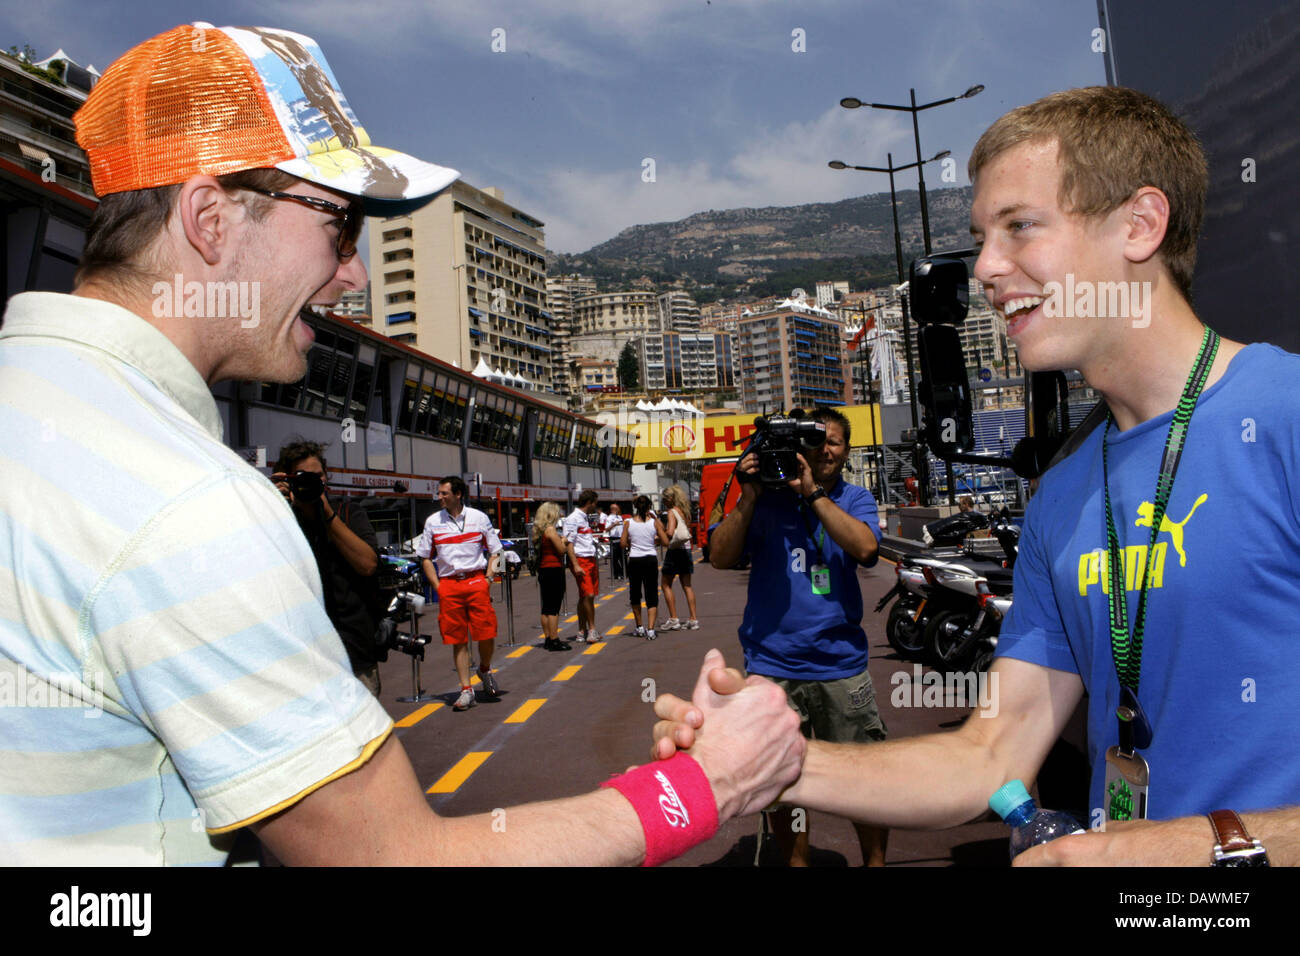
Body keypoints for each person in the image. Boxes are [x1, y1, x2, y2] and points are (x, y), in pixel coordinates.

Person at [0, 22, 807, 866]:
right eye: (339, 226)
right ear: (209, 217)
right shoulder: (185, 502)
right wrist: (705, 786)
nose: (354, 272)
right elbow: (389, 856)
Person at [656, 86, 1300, 867]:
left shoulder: (1283, 417)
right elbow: (989, 758)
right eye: (981, 238)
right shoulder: (1064, 494)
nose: (988, 270)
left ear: (1140, 225)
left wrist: (1199, 850)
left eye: (1020, 227)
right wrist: (760, 765)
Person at [707, 406, 889, 866]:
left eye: (835, 442)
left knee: (864, 781)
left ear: (846, 451)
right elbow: (720, 557)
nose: (826, 450)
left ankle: (876, 863)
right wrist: (747, 497)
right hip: (772, 666)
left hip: (840, 665)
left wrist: (812, 496)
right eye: (817, 440)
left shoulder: (855, 499)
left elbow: (867, 548)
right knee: (783, 787)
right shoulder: (765, 501)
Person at [272, 439, 383, 695]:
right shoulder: (282, 518)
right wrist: (271, 502)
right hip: (302, 653)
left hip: (352, 648)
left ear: (326, 477)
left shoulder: (347, 512)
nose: (313, 482)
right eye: (303, 477)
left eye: (318, 476)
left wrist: (325, 512)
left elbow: (368, 564)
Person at [416, 477, 503, 710]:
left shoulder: (479, 518)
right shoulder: (433, 522)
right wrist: (438, 587)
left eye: (444, 493)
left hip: (476, 581)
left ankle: (484, 669)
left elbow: (497, 552)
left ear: (458, 494)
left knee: (486, 632)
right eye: (439, 493)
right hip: (449, 585)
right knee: (458, 639)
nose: (440, 497)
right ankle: (466, 689)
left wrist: (488, 580)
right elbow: (424, 557)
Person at [532, 501, 580, 651]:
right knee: (554, 607)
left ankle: (547, 638)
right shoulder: (551, 530)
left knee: (546, 607)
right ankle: (554, 639)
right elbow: (561, 550)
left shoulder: (539, 530)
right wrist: (564, 541)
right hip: (553, 569)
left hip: (544, 569)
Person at [623, 495, 669, 639]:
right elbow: (666, 541)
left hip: (635, 559)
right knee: (651, 593)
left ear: (635, 507)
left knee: (635, 594)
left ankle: (639, 626)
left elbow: (623, 543)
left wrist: (633, 544)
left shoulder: (628, 523)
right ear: (649, 507)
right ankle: (650, 629)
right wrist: (654, 542)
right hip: (650, 559)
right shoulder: (654, 523)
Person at [563, 490, 604, 643]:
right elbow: (569, 543)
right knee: (588, 595)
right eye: (595, 503)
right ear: (590, 502)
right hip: (581, 560)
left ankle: (582, 630)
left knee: (585, 596)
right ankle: (592, 629)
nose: (596, 506)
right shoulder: (573, 519)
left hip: (590, 558)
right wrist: (575, 564)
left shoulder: (584, 518)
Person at [658, 485, 699, 630]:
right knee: (687, 586)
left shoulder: (671, 512)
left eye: (665, 499)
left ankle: (674, 618)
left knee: (665, 584)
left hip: (675, 551)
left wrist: (660, 533)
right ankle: (693, 619)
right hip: (686, 549)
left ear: (671, 498)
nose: (664, 501)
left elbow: (670, 533)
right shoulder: (685, 512)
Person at [606, 503, 627, 581]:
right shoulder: (609, 518)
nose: (618, 509)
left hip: (621, 538)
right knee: (614, 558)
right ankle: (617, 573)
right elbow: (607, 529)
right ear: (613, 509)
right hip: (614, 539)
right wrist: (614, 524)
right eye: (617, 508)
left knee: (623, 557)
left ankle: (625, 573)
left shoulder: (619, 517)